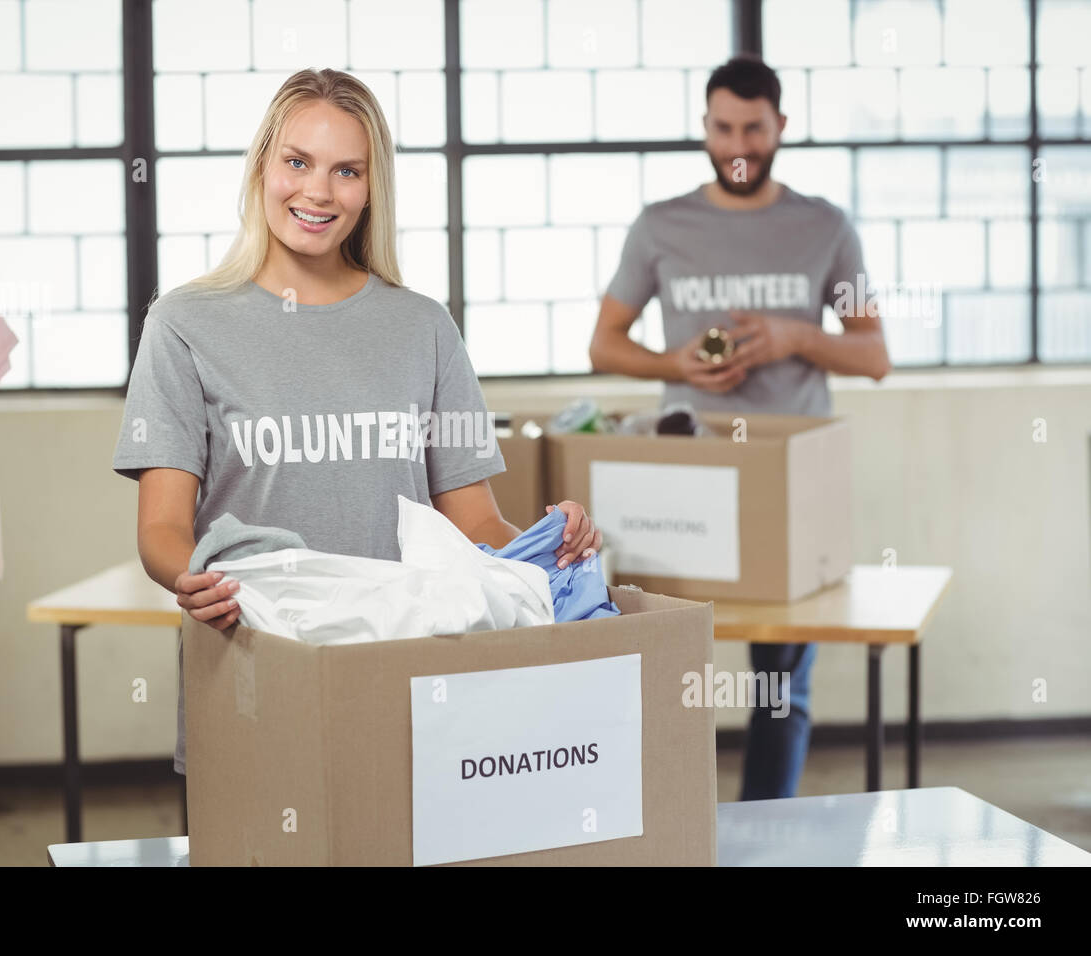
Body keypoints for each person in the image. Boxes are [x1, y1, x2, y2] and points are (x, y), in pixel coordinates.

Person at [113, 68, 603, 777]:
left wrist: (548, 544)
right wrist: (190, 577)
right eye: (297, 162)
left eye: (347, 170)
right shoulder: (184, 325)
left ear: (372, 188)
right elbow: (162, 528)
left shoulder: (424, 328)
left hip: (406, 680)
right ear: (262, 168)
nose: (317, 191)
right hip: (255, 666)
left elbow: (475, 526)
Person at [589, 55, 891, 800]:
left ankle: (769, 832)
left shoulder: (825, 227)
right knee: (662, 662)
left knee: (780, 684)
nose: (738, 145)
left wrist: (796, 338)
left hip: (791, 486)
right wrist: (675, 363)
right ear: (705, 128)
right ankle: (663, 825)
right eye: (722, 128)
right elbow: (604, 344)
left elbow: (875, 353)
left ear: (780, 126)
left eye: (753, 128)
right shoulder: (661, 226)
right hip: (685, 482)